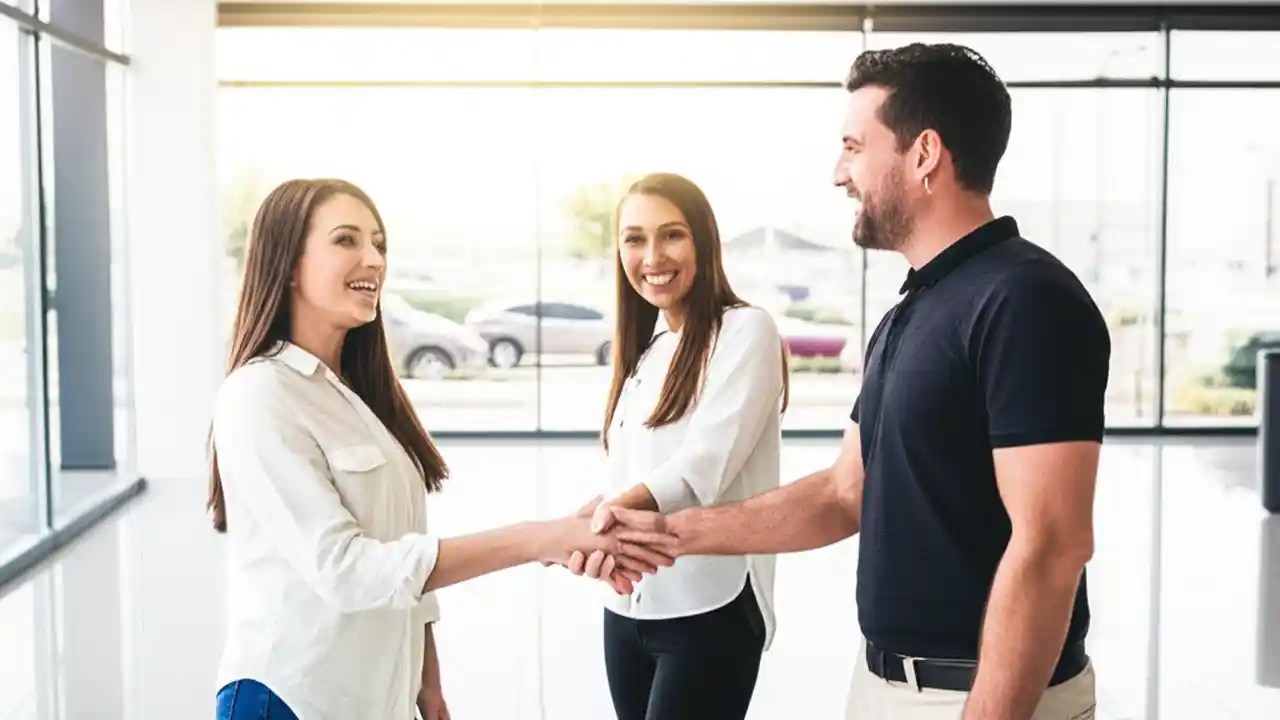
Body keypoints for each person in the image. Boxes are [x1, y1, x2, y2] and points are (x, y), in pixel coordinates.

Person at [584, 44, 1110, 720]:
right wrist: (668, 534)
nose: (840, 173)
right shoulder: (909, 315)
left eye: (855, 147)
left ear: (923, 155)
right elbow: (843, 493)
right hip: (888, 688)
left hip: (983, 698)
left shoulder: (1026, 300)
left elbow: (1052, 543)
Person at [206, 178, 673, 720]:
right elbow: (348, 569)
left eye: (379, 243)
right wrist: (539, 539)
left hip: (380, 702)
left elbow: (403, 552)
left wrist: (428, 687)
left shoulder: (357, 396)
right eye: (346, 241)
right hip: (290, 698)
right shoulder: (260, 393)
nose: (373, 260)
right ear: (288, 263)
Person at [565, 173, 789, 720]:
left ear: (704, 243)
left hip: (709, 607)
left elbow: (699, 471)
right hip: (627, 605)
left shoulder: (745, 331)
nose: (652, 255)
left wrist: (605, 519)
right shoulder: (648, 350)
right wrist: (595, 511)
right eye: (634, 239)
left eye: (672, 235)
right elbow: (636, 470)